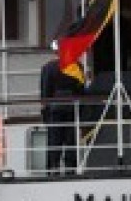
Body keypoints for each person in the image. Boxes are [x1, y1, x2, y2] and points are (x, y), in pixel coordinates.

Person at [40, 42, 85, 174]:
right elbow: (81, 90)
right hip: (72, 108)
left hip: (55, 109)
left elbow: (45, 92)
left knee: (55, 139)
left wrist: (46, 112)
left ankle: (54, 168)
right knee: (71, 139)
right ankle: (71, 168)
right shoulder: (77, 67)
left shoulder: (48, 68)